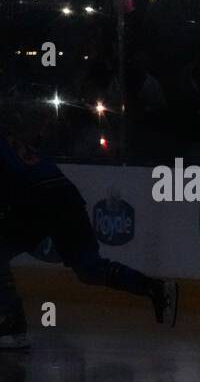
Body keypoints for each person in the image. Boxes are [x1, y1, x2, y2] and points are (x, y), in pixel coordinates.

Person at [0, 126, 177, 349]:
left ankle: (13, 322)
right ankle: (156, 289)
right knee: (89, 268)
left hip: (35, 198)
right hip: (64, 194)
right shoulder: (10, 138)